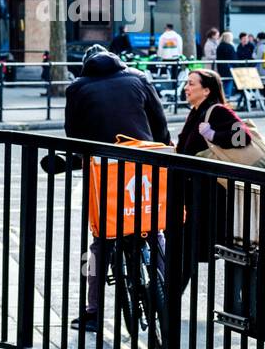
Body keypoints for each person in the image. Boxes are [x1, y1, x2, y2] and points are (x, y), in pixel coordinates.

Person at [65, 45, 170, 332]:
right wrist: (163, 147)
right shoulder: (138, 78)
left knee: (101, 241)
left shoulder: (77, 88)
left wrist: (79, 157)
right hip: (145, 161)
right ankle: (166, 292)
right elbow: (159, 122)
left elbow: (73, 135)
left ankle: (93, 313)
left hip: (105, 169)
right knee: (154, 228)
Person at [176, 68, 253, 287]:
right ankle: (167, 302)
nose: (186, 88)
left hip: (209, 197)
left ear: (207, 90)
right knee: (186, 251)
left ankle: (167, 303)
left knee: (188, 251)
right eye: (186, 83)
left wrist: (213, 135)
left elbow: (243, 136)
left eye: (191, 84)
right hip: (193, 193)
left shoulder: (217, 111)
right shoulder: (196, 111)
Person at [214, 29, 236, 95]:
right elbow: (233, 58)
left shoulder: (219, 46)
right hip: (229, 67)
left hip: (221, 67)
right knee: (229, 82)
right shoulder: (230, 47)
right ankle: (227, 97)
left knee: (223, 82)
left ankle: (223, 96)